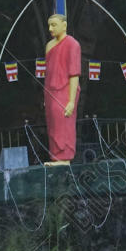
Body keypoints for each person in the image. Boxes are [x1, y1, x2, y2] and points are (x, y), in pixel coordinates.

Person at [44, 12, 81, 164]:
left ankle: (65, 157)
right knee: (53, 125)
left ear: (64, 25)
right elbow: (48, 72)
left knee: (64, 123)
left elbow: (74, 74)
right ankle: (55, 155)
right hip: (51, 90)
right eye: (49, 25)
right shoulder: (49, 45)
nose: (51, 28)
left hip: (66, 90)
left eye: (54, 25)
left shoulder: (72, 44)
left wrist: (71, 101)